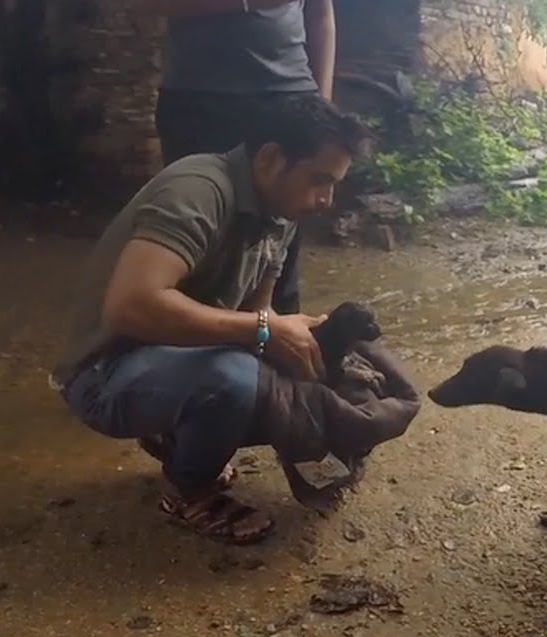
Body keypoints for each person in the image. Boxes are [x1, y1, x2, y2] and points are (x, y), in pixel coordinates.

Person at [50, 95, 373, 544]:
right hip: (104, 373)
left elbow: (255, 314)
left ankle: (176, 430)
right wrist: (265, 331)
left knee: (312, 359)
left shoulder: (280, 211)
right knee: (236, 377)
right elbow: (131, 306)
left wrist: (298, 335)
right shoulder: (198, 191)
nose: (326, 200)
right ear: (271, 159)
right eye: (319, 180)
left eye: (334, 184)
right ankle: (188, 491)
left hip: (170, 357)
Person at [141, 0, 335, 317]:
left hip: (290, 92)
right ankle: (192, 341)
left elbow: (321, 15)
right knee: (203, 238)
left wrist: (323, 108)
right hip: (201, 99)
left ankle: (279, 339)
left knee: (281, 236)